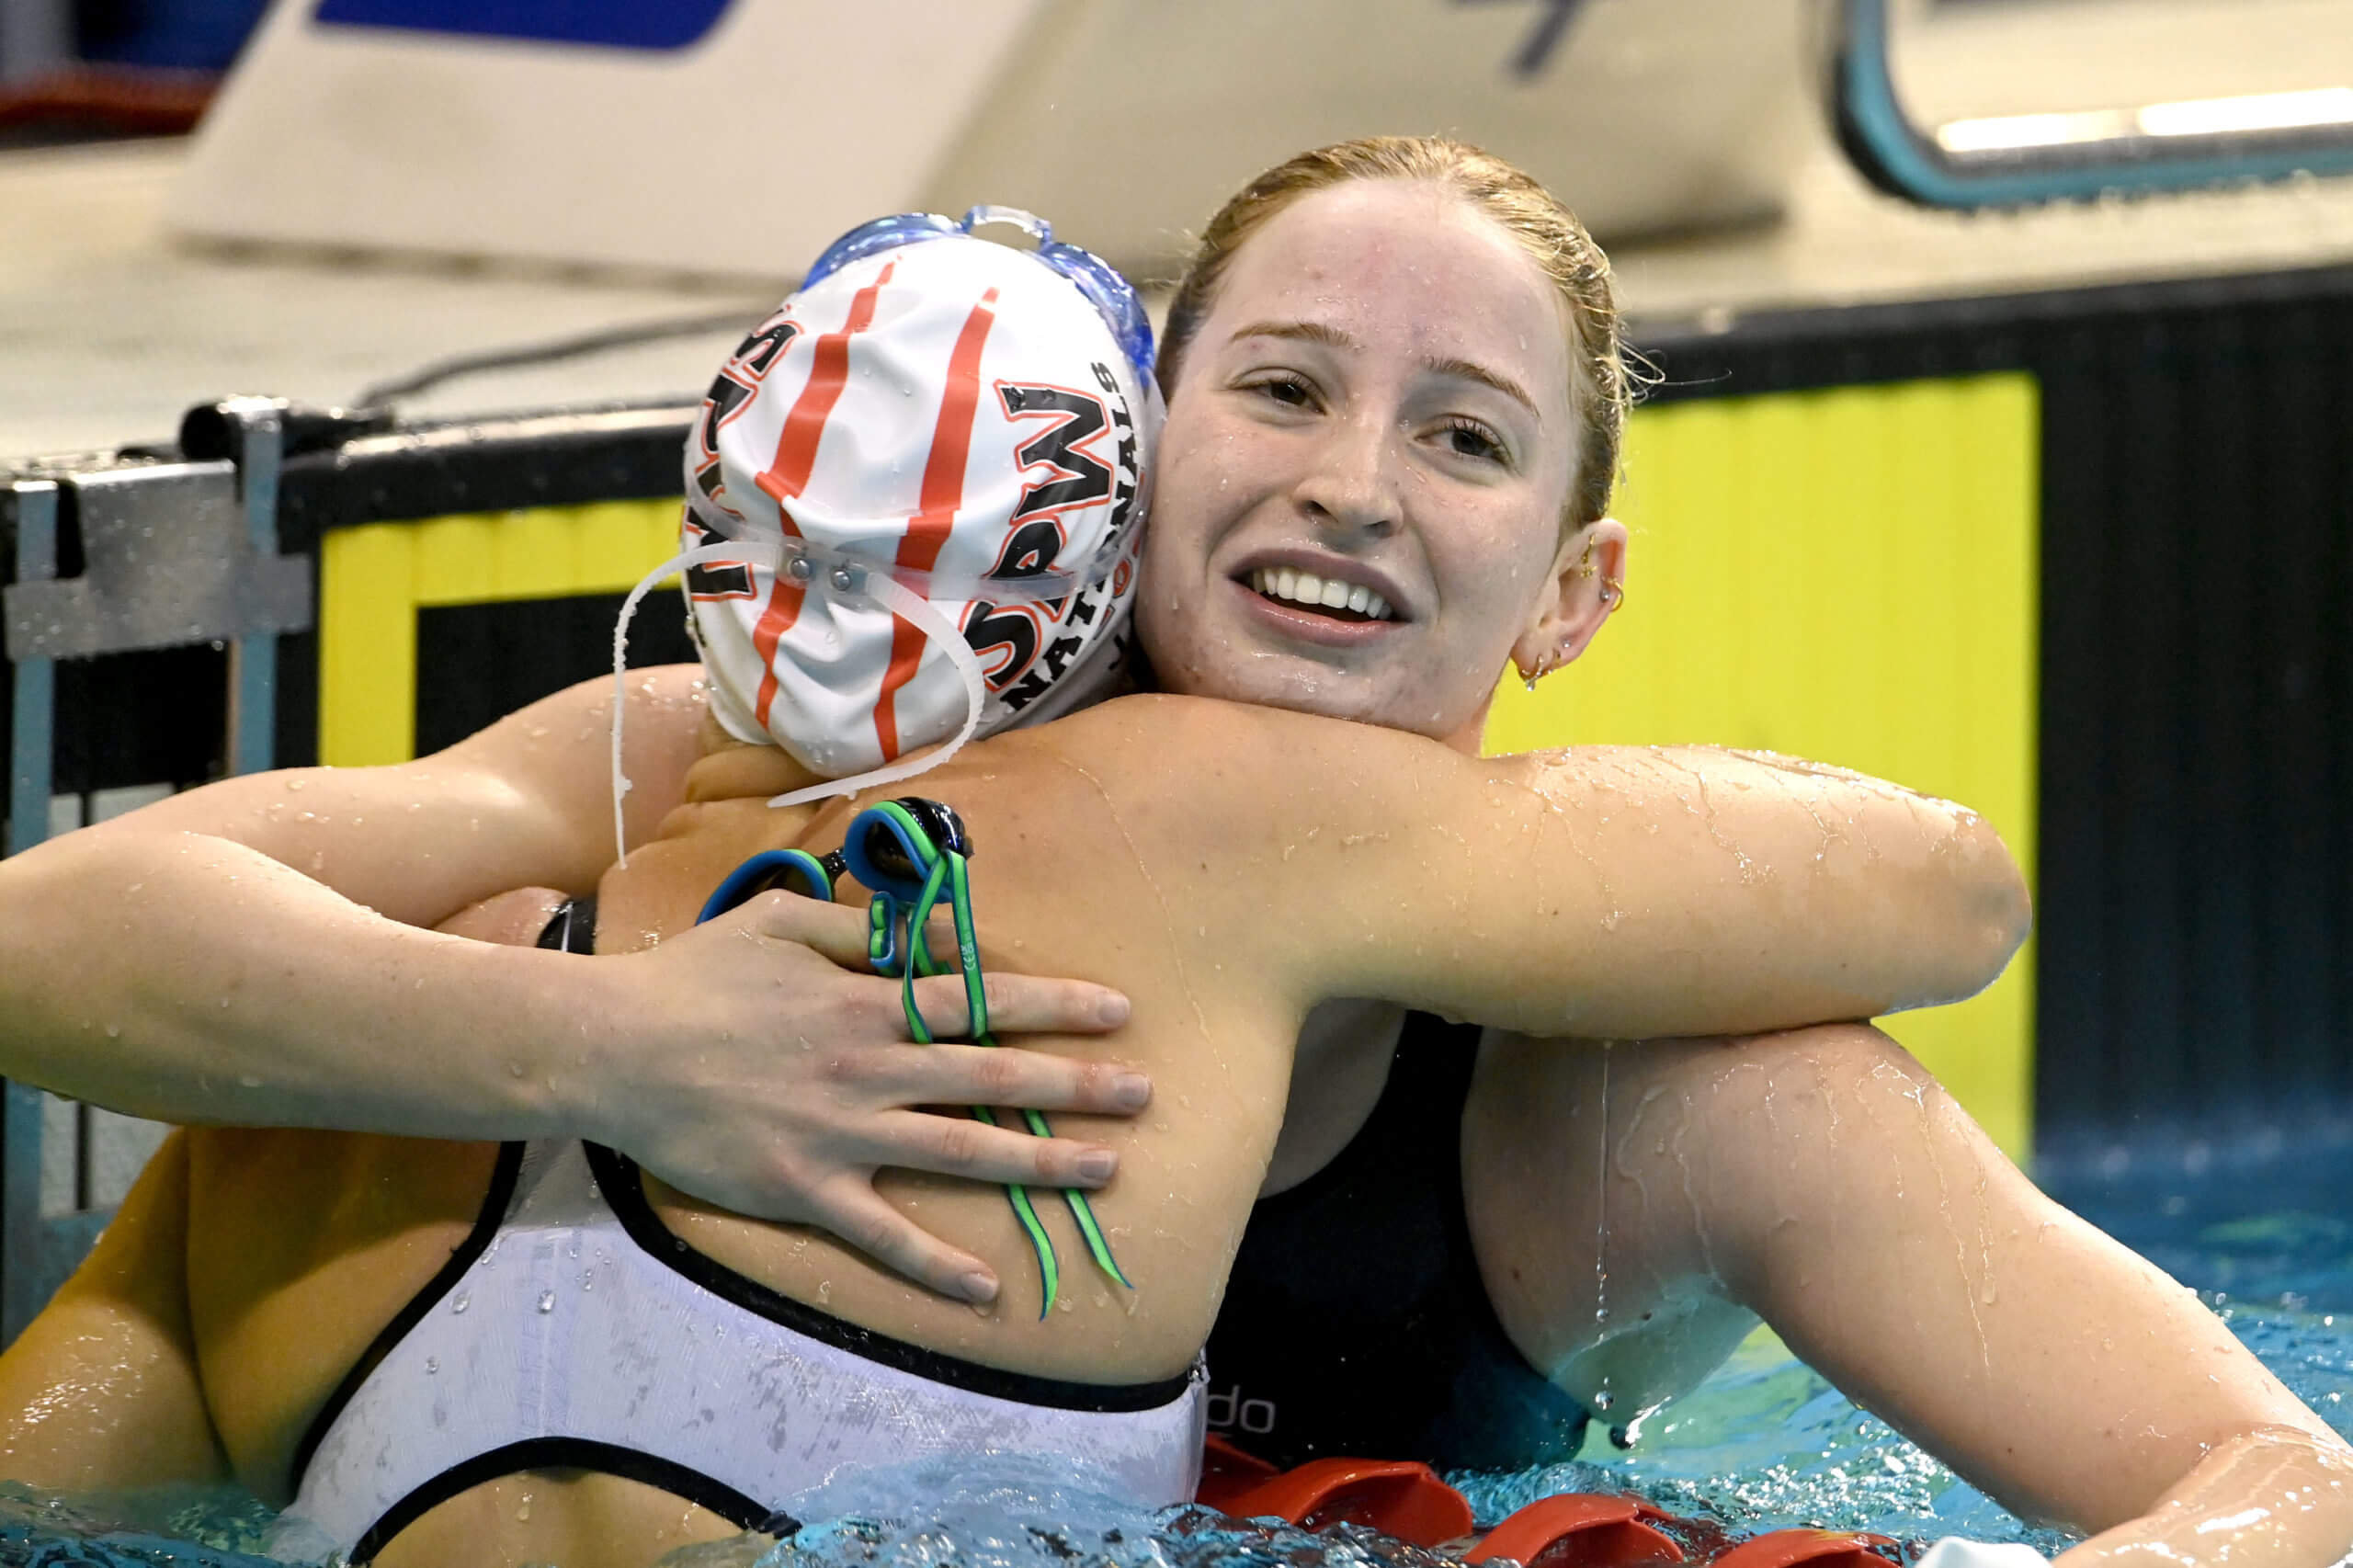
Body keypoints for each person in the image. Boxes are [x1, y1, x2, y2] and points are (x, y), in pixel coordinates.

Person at [0, 138, 2341, 1568]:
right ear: (1116, 479)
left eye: (1460, 436)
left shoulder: (1656, 1107)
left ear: (1566, 596)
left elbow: (2278, 1482)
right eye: (1284, 387)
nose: (1349, 482)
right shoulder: (756, 795)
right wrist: (610, 1043)